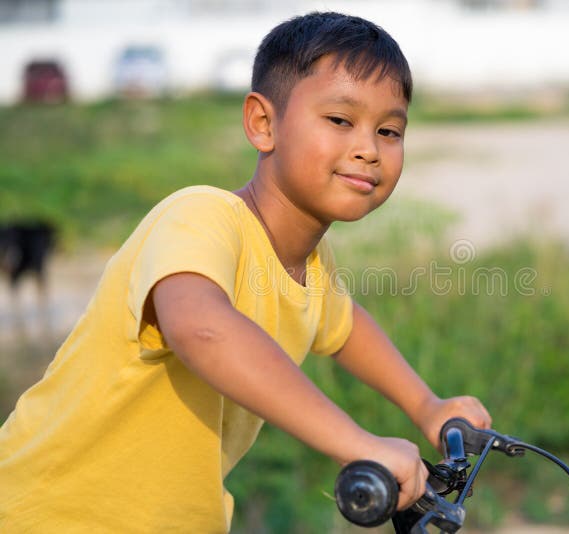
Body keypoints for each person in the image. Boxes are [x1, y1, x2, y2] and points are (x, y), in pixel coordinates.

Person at [0, 11, 491, 532]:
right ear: (263, 124)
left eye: (389, 130)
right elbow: (202, 329)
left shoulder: (310, 266)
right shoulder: (201, 216)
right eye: (340, 120)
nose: (368, 149)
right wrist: (357, 443)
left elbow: (345, 327)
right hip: (46, 514)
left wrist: (427, 405)